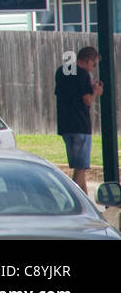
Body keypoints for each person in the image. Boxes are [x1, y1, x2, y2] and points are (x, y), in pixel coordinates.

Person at [55, 46, 104, 192]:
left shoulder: (61, 71)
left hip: (65, 126)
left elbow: (68, 93)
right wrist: (95, 91)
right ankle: (71, 201)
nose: (93, 68)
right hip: (80, 126)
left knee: (79, 167)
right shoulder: (83, 74)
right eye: (94, 64)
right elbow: (87, 100)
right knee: (81, 169)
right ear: (88, 60)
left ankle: (85, 204)